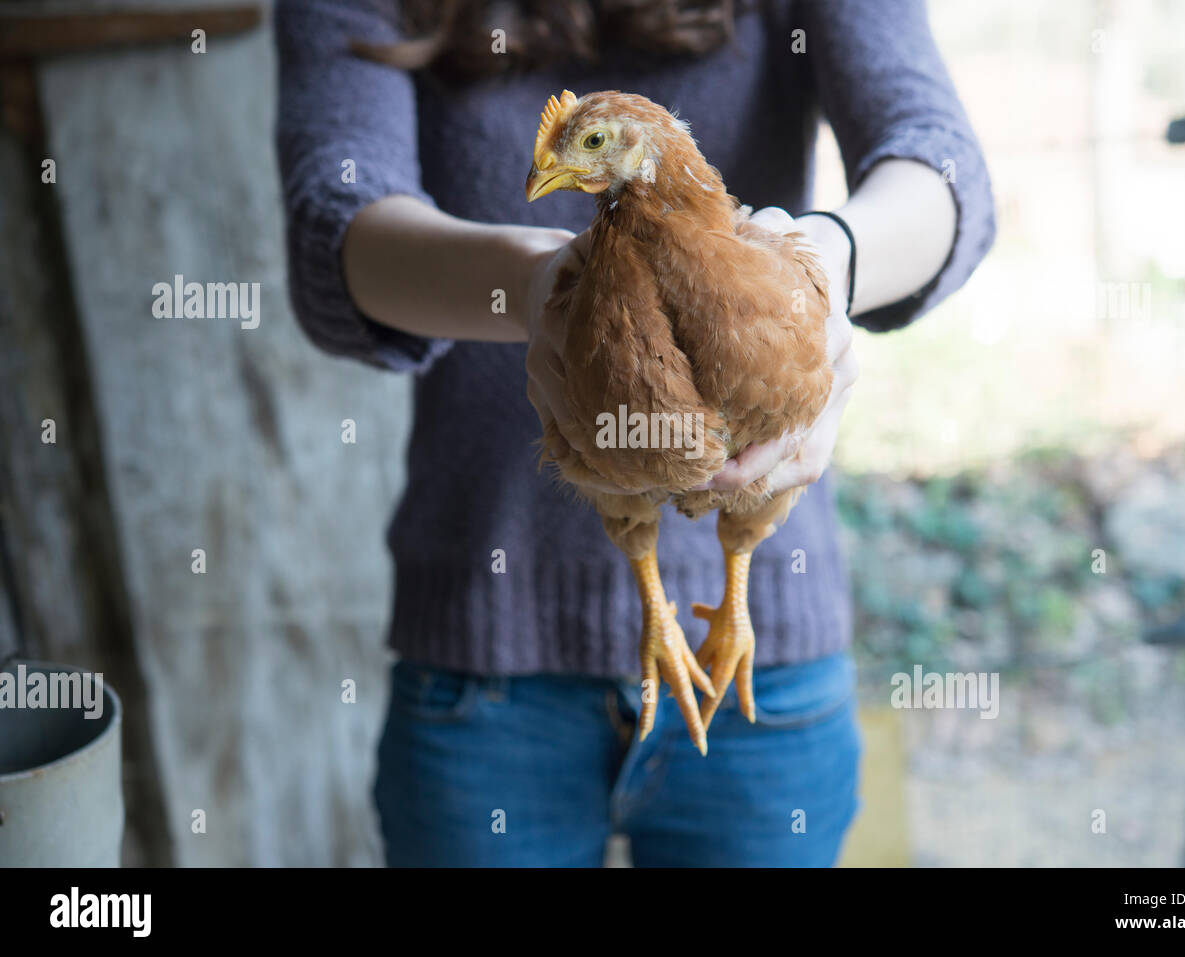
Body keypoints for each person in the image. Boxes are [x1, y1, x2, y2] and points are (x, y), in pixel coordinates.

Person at [274, 0, 995, 866]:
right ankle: (662, 598)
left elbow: (939, 157)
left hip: (761, 669)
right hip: (482, 659)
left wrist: (822, 268)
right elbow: (337, 215)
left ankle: (728, 592)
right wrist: (537, 288)